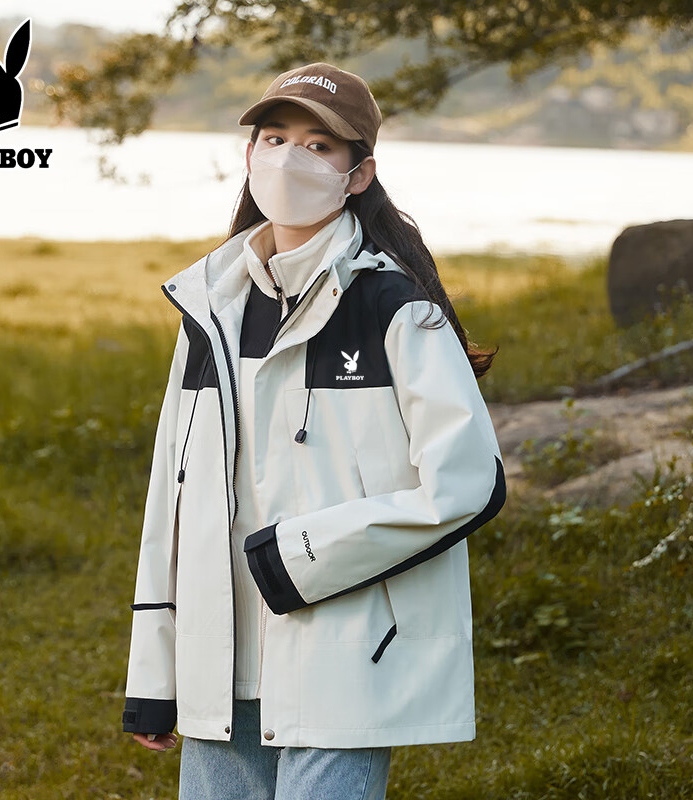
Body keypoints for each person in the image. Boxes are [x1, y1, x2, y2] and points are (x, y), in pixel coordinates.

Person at [121, 62, 507, 799]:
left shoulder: (396, 308)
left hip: (349, 652)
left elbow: (468, 483)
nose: (289, 158)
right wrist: (155, 669)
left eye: (318, 145)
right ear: (249, 155)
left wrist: (301, 558)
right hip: (220, 656)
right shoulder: (208, 309)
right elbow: (170, 498)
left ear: (359, 174)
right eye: (274, 138)